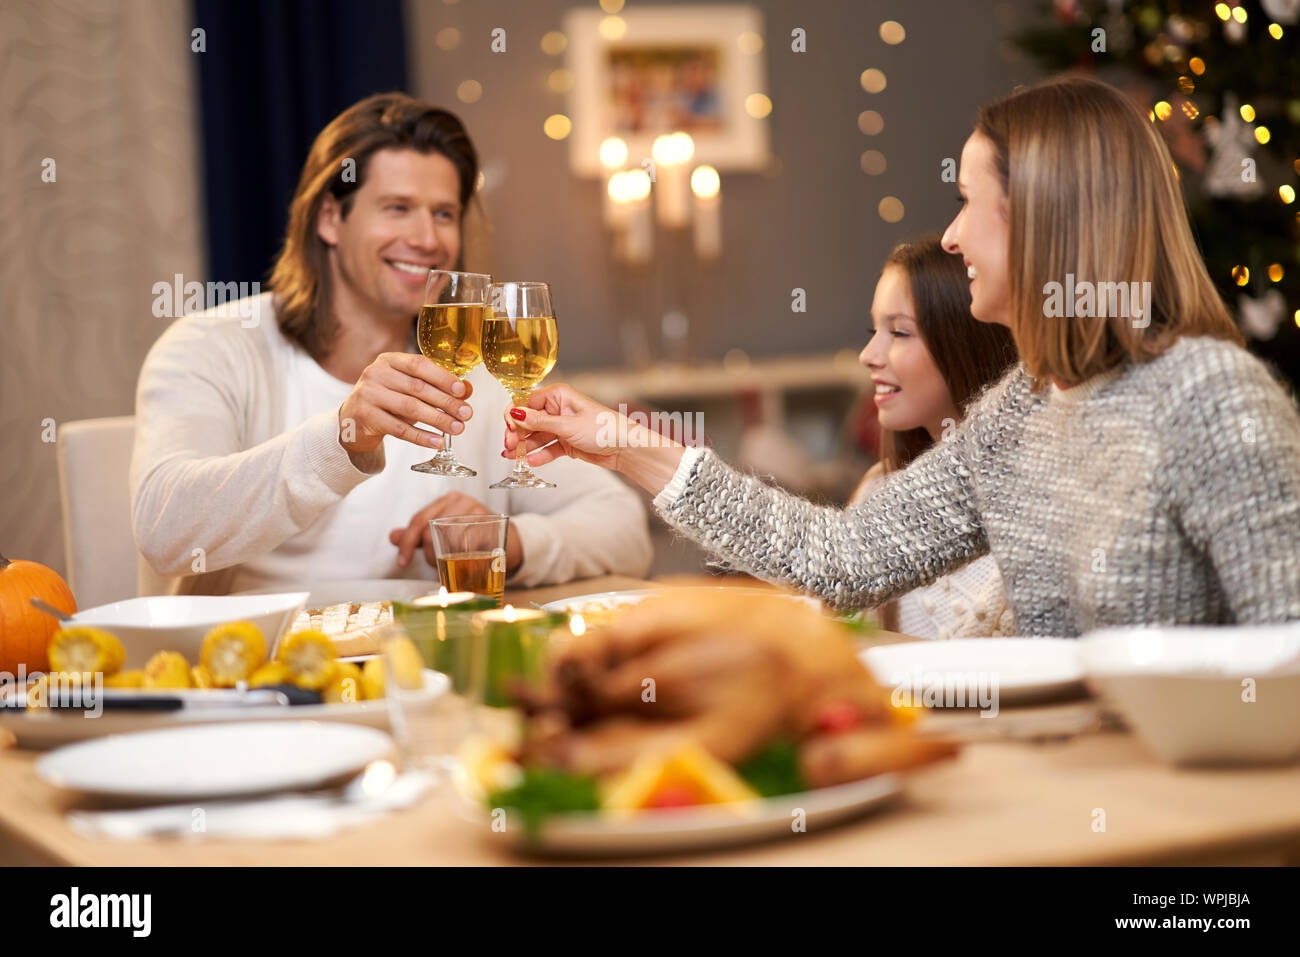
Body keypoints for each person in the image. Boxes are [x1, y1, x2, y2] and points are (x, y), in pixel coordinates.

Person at [500, 75, 1300, 637]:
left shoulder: (1211, 397)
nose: (950, 237)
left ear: (1042, 218)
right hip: (1056, 784)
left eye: (966, 203)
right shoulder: (1025, 405)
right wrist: (619, 441)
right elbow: (842, 558)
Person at [131, 92, 651, 595]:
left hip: (423, 667)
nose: (428, 239)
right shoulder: (214, 347)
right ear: (331, 218)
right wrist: (343, 437)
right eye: (398, 207)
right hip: (263, 670)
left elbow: (624, 528)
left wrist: (510, 540)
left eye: (444, 213)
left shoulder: (479, 367)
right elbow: (165, 527)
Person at [851, 237, 1017, 638]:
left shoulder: (1026, 503)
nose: (869, 354)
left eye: (899, 333)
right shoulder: (877, 492)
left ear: (963, 340)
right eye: (874, 329)